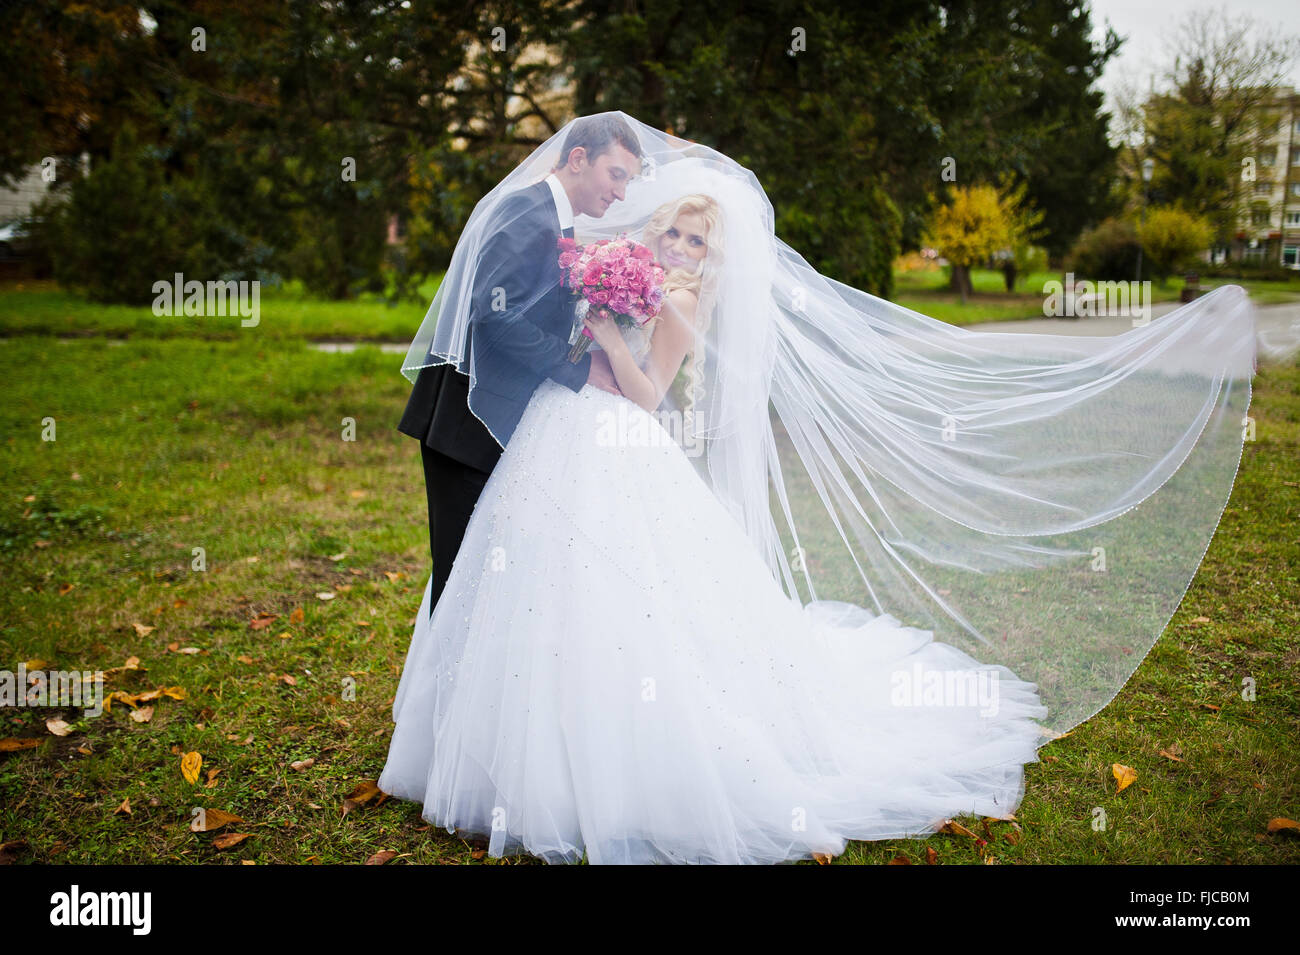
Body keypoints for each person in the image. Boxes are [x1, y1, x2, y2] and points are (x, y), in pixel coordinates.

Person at [380, 112, 1256, 864]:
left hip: (612, 437)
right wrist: (593, 318)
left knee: (626, 607)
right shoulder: (600, 252)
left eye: (695, 239)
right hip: (554, 436)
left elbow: (647, 394)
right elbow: (531, 311)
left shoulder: (679, 303)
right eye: (672, 231)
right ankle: (496, 743)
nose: (677, 246)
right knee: (524, 582)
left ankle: (596, 763)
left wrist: (604, 337)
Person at [396, 114, 641, 615]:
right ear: (578, 158)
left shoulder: (552, 218)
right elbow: (493, 312)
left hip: (494, 418)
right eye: (615, 175)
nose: (620, 194)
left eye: (628, 182)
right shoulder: (526, 213)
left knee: (486, 576)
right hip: (467, 423)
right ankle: (446, 691)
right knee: (462, 576)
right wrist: (576, 368)